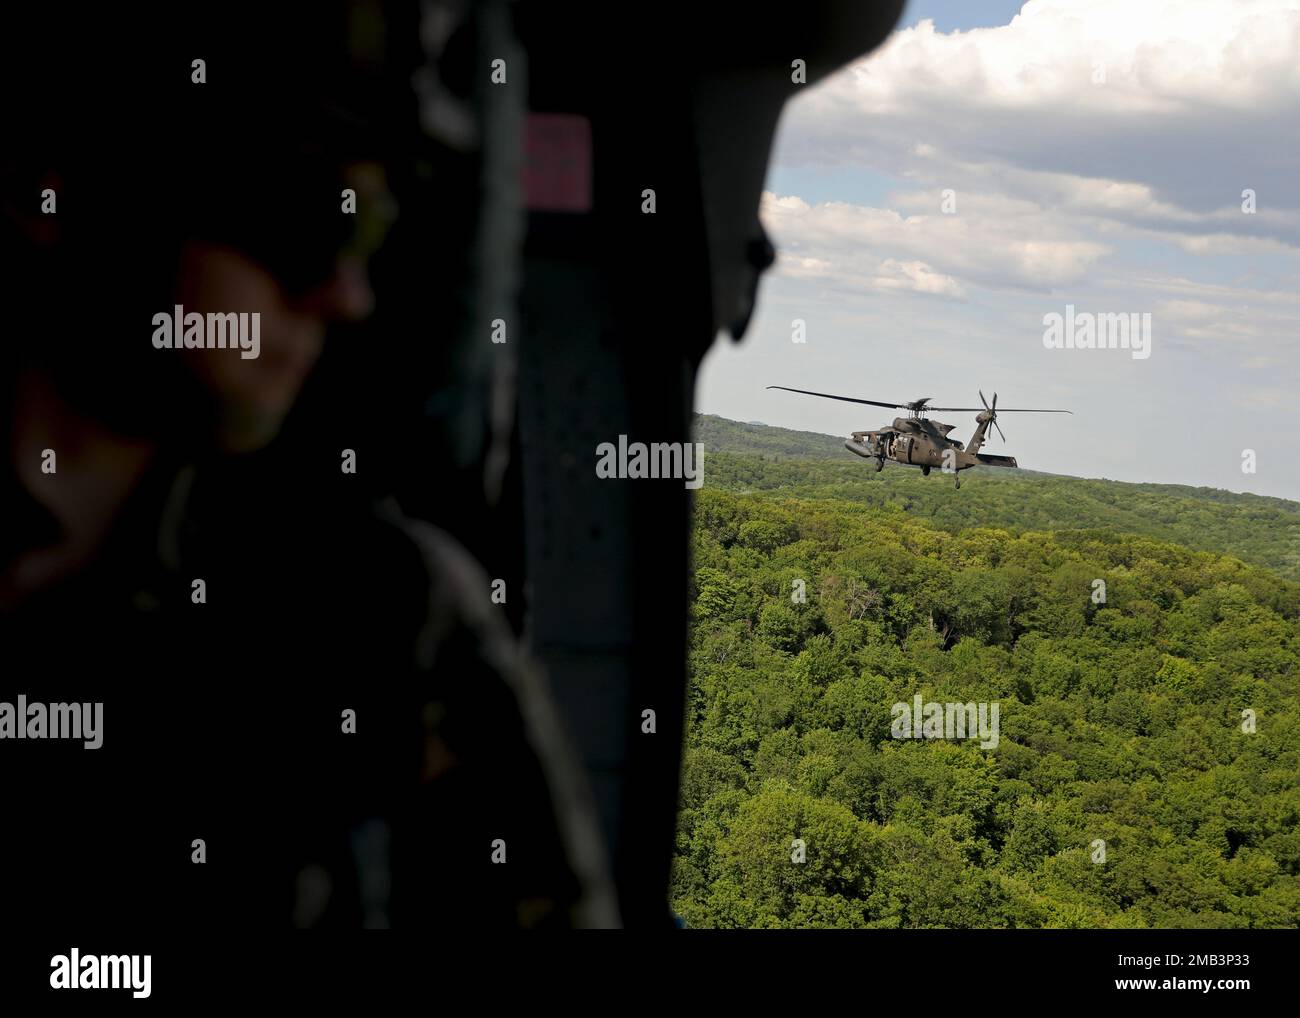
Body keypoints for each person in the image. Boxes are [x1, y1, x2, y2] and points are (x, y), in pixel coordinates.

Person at [0, 87, 616, 932]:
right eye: (300, 227)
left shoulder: (381, 607)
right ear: (57, 194)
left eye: (368, 236)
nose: (344, 294)